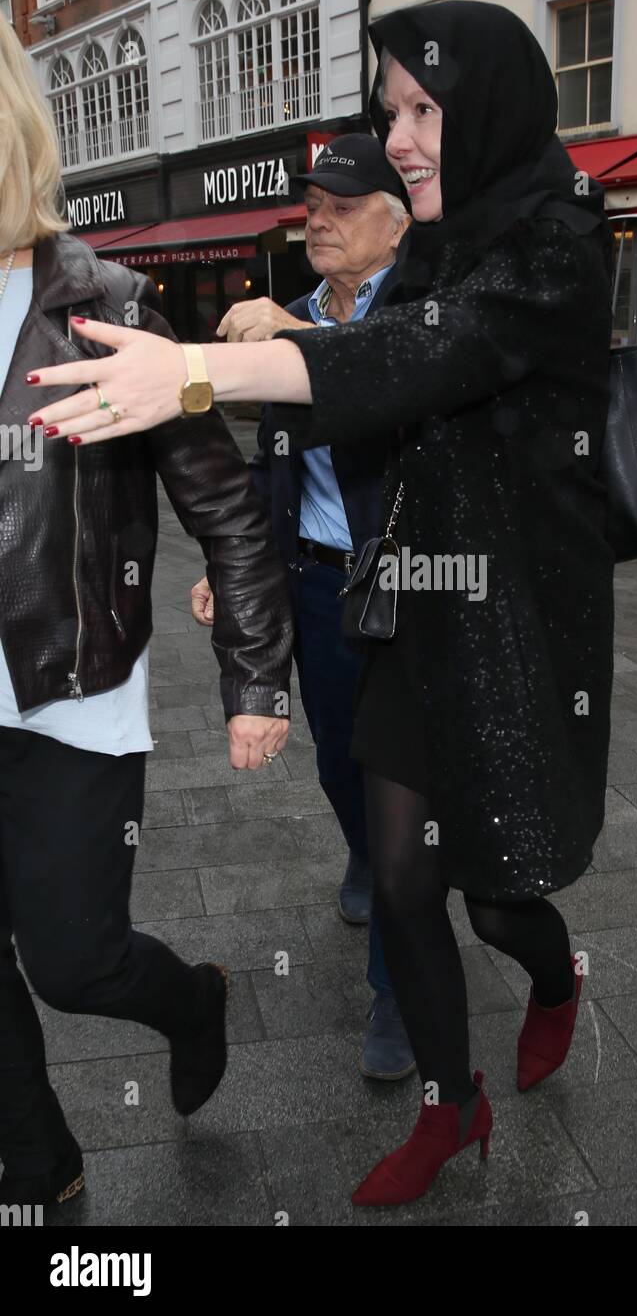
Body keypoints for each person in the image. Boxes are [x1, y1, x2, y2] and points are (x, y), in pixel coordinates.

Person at [28, 0, 616, 1209]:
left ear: (492, 106)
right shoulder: (443, 238)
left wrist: (193, 369)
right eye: (389, 108)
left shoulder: (554, 245)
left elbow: (412, 358)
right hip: (406, 605)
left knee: (500, 903)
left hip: (512, 630)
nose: (397, 136)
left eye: (421, 110)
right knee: (399, 877)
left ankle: (553, 979)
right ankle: (451, 1107)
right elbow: (363, 388)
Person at [0, 12, 292, 1211]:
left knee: (71, 958)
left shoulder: (101, 299)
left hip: (69, 684)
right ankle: (39, 1159)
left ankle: (192, 999)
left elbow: (223, 502)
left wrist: (256, 677)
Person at [191, 135, 415, 1080]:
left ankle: (398, 992)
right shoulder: (303, 310)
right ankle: (364, 851)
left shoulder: (428, 298)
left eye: (343, 202)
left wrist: (292, 339)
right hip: (316, 583)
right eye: (311, 202)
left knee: (403, 790)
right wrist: (235, 559)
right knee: (336, 759)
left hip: (414, 586)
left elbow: (407, 380)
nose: (317, 217)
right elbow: (272, 457)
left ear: (396, 216)